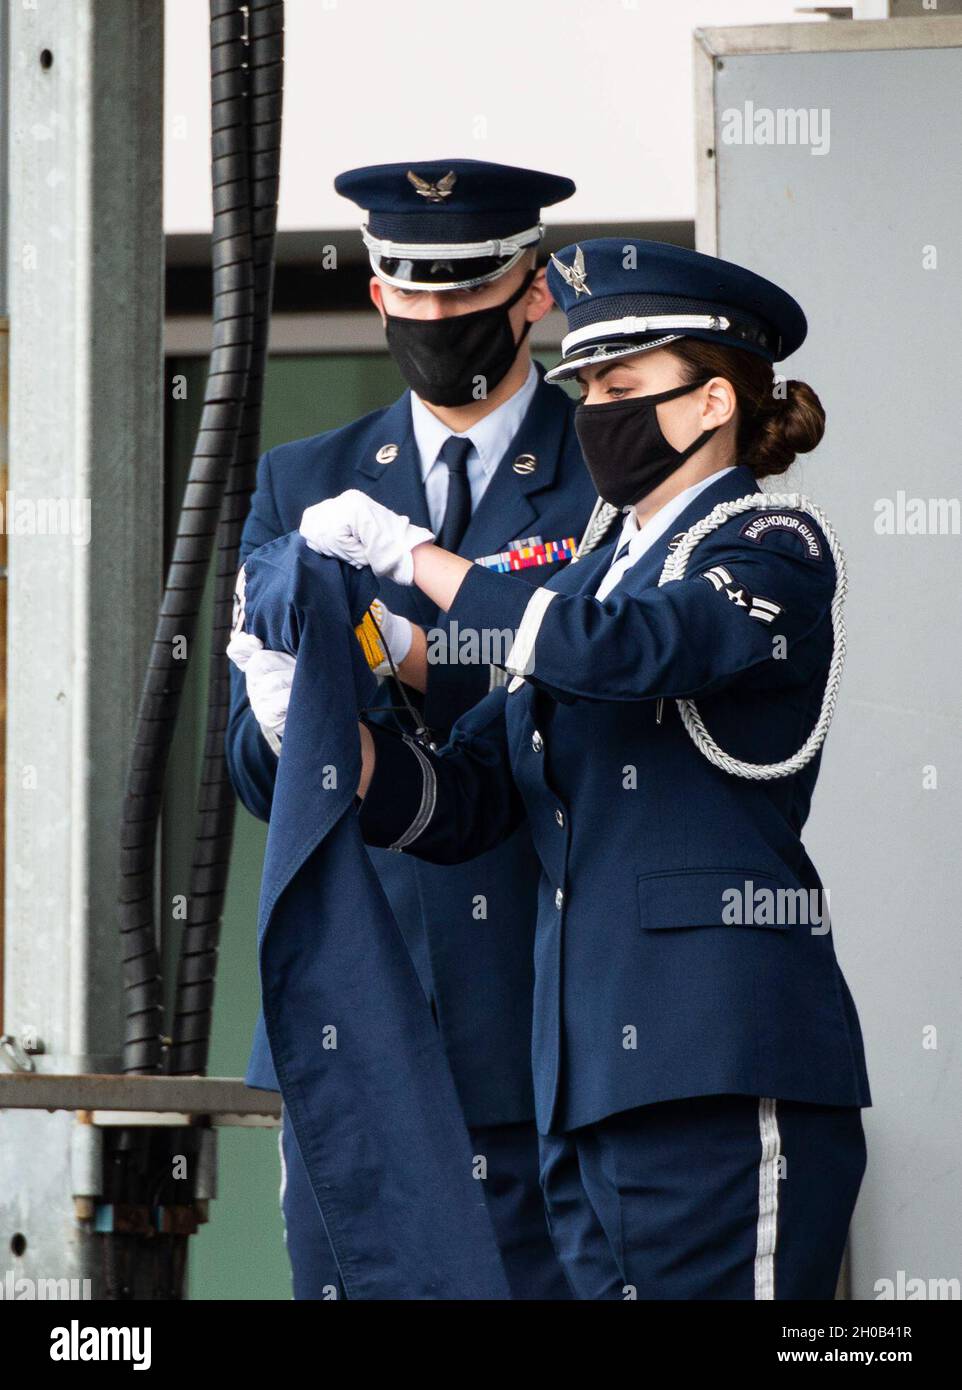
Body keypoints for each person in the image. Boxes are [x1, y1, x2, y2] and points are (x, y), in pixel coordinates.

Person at [298, 238, 873, 1300]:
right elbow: (466, 797)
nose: (593, 407)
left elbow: (637, 650)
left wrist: (417, 559)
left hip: (716, 1060)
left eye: (622, 384)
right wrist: (329, 713)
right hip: (582, 1083)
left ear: (709, 403)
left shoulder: (768, 543)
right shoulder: (587, 579)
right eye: (585, 384)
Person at [226, 160, 596, 1299]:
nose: (435, 316)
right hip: (361, 1005)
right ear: (377, 294)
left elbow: (589, 710)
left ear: (531, 291)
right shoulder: (307, 479)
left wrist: (398, 652)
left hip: (542, 1007)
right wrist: (293, 707)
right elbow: (247, 765)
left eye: (465, 288)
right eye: (410, 289)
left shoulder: (602, 473)